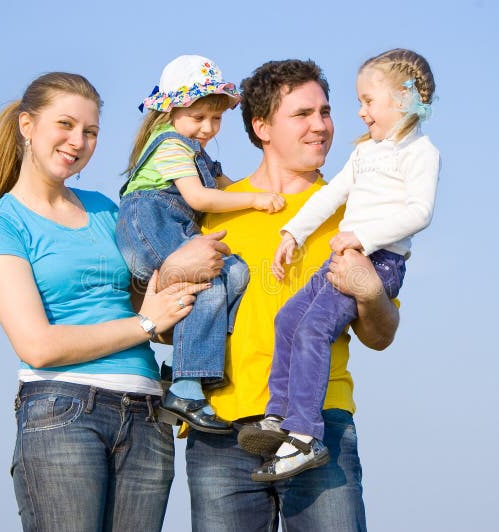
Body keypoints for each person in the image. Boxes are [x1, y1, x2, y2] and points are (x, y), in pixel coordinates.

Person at [0, 72, 226, 531]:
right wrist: (145, 325)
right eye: (65, 125)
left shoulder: (108, 209)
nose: (78, 141)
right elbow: (38, 346)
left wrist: (179, 274)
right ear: (27, 126)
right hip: (63, 411)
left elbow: (155, 310)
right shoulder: (0, 224)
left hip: (147, 414)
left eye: (90, 132)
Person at [178, 60, 401, 531]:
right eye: (302, 114)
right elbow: (170, 321)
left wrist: (369, 291)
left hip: (320, 424)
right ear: (261, 127)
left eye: (325, 111)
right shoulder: (214, 211)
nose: (320, 125)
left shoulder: (359, 213)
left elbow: (381, 335)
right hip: (222, 427)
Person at [247, 48, 440, 481]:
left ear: (403, 99)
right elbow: (330, 196)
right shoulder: (365, 152)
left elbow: (420, 213)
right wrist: (292, 233)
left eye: (368, 101)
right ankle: (279, 416)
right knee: (288, 318)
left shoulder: (421, 152)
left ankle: (306, 434)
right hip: (345, 255)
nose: (361, 112)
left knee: (315, 328)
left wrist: (362, 238)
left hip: (379, 260)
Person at [116, 55, 286, 433]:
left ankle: (183, 366)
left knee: (236, 272)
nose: (208, 127)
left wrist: (276, 193)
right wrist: (256, 201)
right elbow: (199, 199)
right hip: (149, 224)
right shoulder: (170, 145)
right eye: (198, 117)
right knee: (207, 282)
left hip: (170, 227)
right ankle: (186, 386)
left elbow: (227, 186)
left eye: (216, 117)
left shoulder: (200, 154)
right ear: (172, 111)